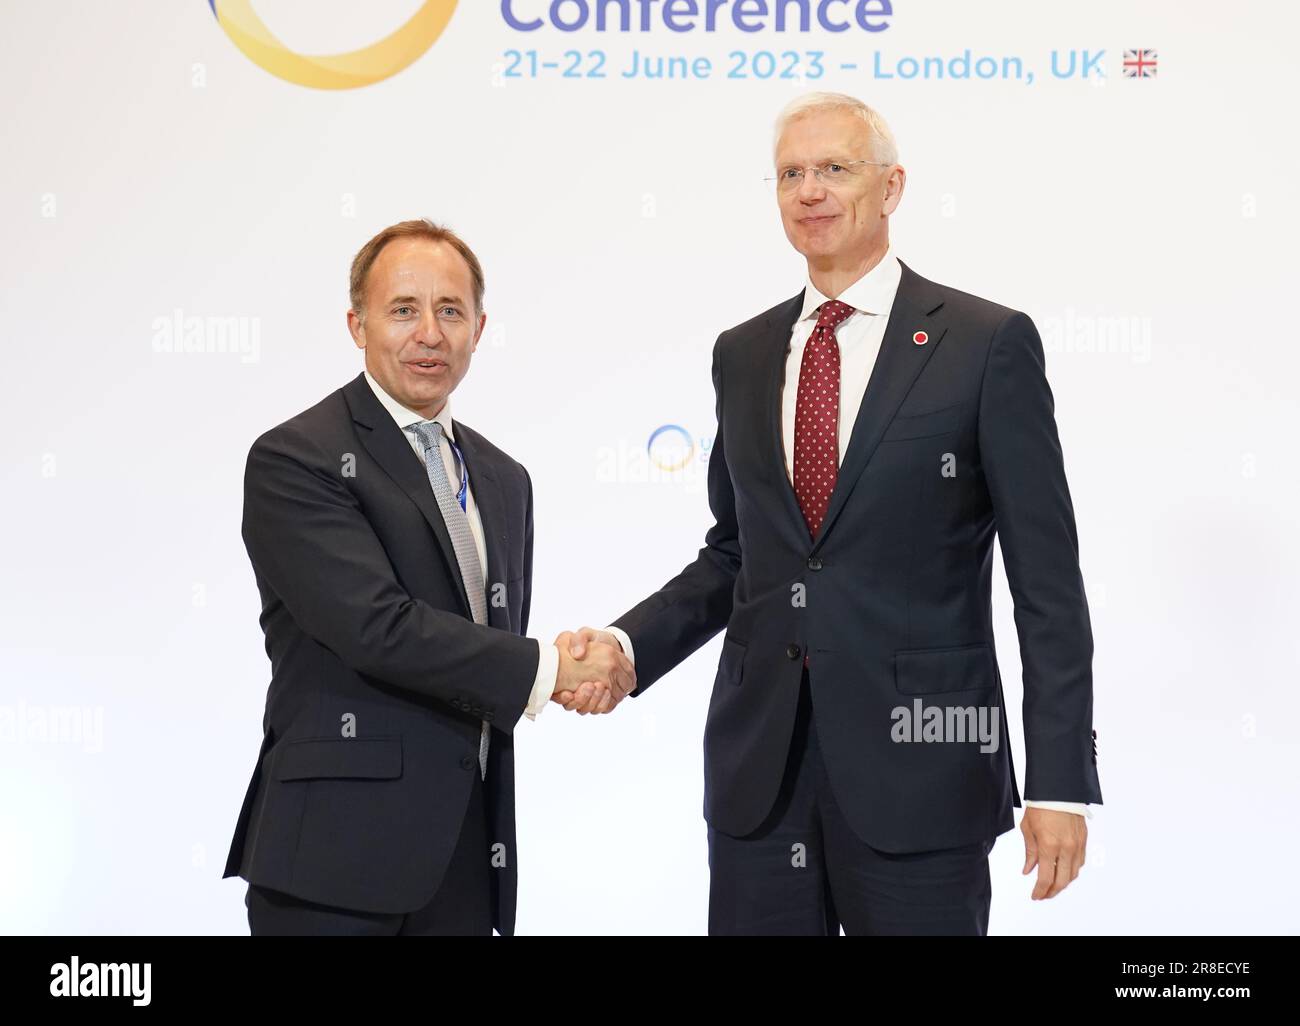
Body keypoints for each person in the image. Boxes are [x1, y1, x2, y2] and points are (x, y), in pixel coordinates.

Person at [556, 93, 1102, 935]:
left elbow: (1047, 584)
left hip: (925, 766)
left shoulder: (986, 343)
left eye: (834, 170)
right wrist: (627, 648)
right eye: (790, 175)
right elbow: (738, 555)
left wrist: (1059, 781)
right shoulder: (741, 354)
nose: (809, 191)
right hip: (760, 781)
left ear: (892, 187)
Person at [224, 219, 633, 935]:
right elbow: (377, 628)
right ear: (357, 324)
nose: (430, 333)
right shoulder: (299, 458)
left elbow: (478, 648)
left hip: (468, 858)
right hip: (333, 865)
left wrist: (569, 665)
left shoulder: (506, 479)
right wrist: (554, 668)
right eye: (403, 309)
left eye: (450, 311)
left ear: (480, 327)